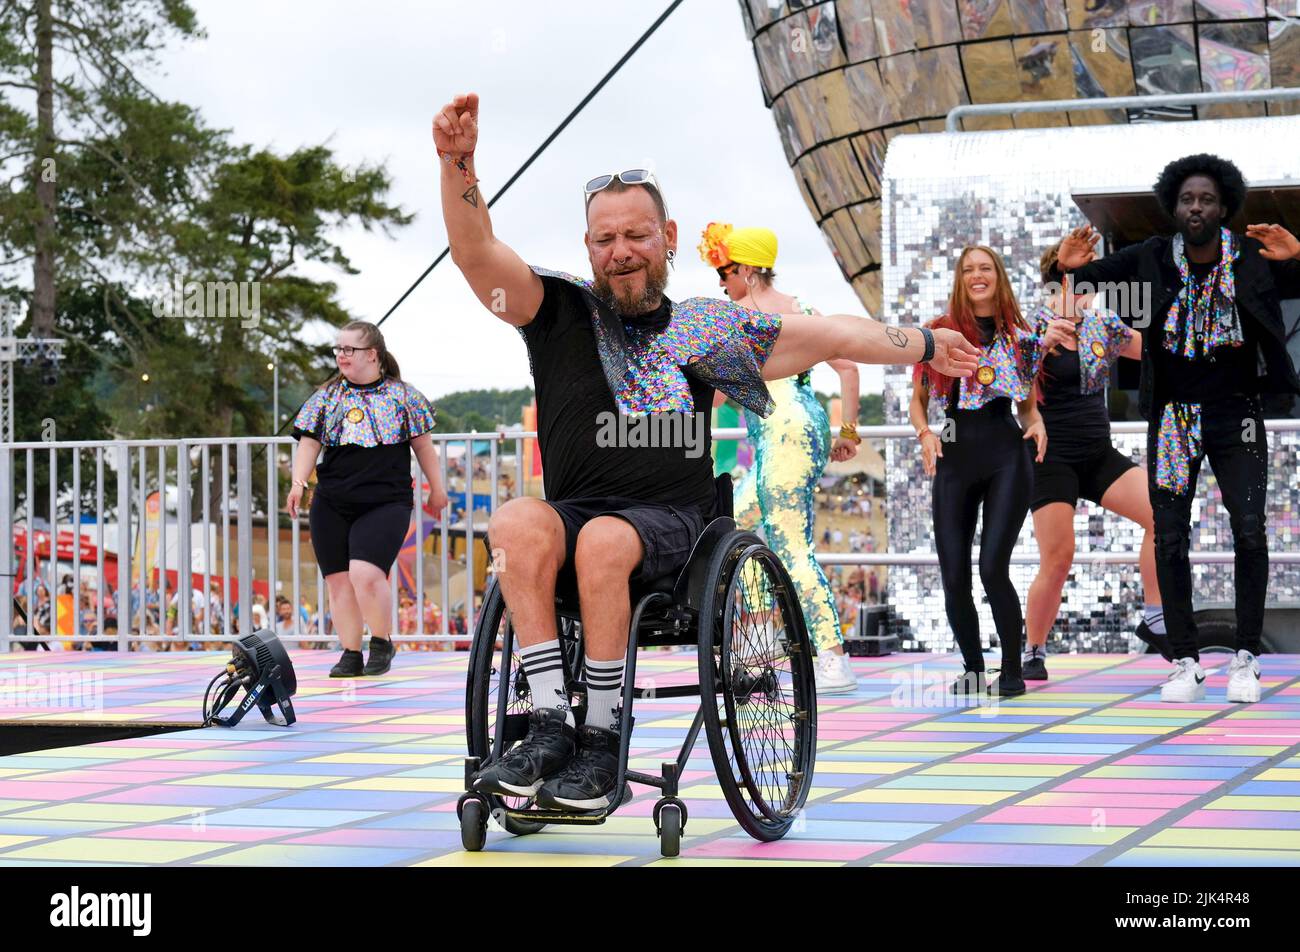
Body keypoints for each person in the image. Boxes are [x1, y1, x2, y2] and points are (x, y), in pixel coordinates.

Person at [434, 91, 978, 810]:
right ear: (587, 247)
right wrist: (457, 162)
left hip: (671, 528)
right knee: (514, 522)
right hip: (576, 513)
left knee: (603, 540)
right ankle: (548, 726)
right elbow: (475, 252)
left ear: (667, 237)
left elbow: (837, 336)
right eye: (605, 240)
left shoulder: (703, 329)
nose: (621, 251)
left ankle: (601, 745)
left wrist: (929, 342)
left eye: (636, 235)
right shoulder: (554, 308)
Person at [1050, 153, 1300, 703]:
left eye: (1206, 199)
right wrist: (1062, 267)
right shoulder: (1152, 258)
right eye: (1187, 198)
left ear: (1224, 206)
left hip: (1237, 414)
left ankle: (1246, 659)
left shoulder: (1252, 257)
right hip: (1173, 419)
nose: (1196, 207)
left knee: (1251, 529)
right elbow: (1076, 284)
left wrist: (1298, 256)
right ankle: (1185, 660)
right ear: (1173, 204)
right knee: (1169, 534)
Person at [698, 221, 862, 695]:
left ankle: (831, 655)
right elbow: (849, 368)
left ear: (747, 270)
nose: (722, 283)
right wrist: (847, 431)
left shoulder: (739, 318)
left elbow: (717, 398)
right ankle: (766, 632)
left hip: (784, 434)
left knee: (791, 544)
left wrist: (674, 430)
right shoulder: (802, 310)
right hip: (800, 429)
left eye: (725, 271)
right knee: (739, 523)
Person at [909, 246, 1048, 697]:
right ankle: (972, 668)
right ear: (960, 279)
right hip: (953, 453)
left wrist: (1038, 424)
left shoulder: (1021, 338)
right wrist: (926, 433)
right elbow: (918, 400)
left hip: (1007, 453)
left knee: (992, 567)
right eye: (968, 269)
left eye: (984, 268)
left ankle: (1012, 668)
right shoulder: (938, 332)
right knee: (953, 574)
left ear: (998, 276)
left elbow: (1026, 407)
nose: (976, 275)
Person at [1022, 244, 1162, 680]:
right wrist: (1041, 346)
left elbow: (1157, 348)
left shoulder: (1103, 324)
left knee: (1162, 513)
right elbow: (1009, 379)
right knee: (1060, 557)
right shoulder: (1030, 327)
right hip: (1050, 456)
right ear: (1060, 281)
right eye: (1083, 283)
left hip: (1098, 453)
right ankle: (1033, 651)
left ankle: (1156, 617)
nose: (1091, 292)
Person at [287, 321, 450, 678]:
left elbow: (423, 446)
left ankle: (381, 640)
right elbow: (309, 443)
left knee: (365, 573)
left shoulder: (403, 396)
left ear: (372, 355)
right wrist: (299, 481)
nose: (341, 356)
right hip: (332, 501)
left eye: (349, 350)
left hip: (385, 501)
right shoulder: (326, 397)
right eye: (339, 349)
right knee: (338, 580)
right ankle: (350, 651)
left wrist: (438, 489)